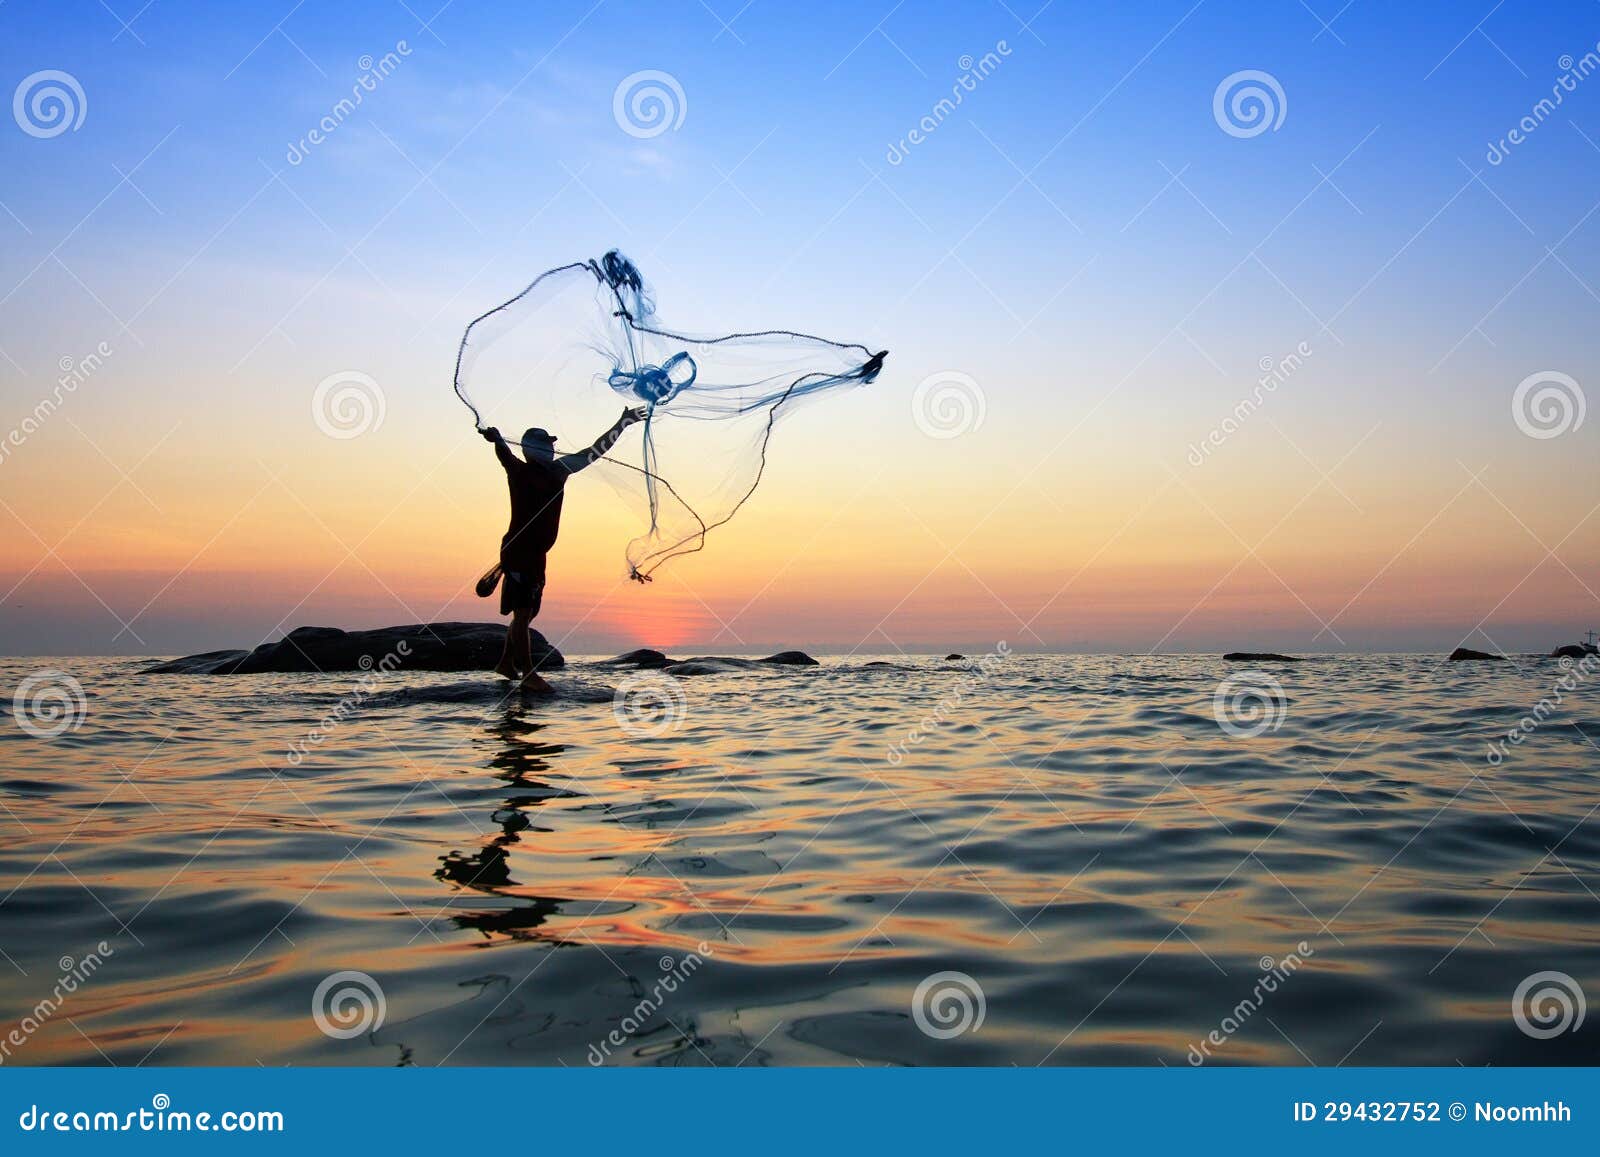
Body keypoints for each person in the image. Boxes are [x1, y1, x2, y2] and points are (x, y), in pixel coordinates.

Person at [480, 408, 645, 691]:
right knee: (522, 613)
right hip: (519, 551)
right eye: (548, 445)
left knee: (527, 613)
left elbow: (594, 451)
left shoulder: (559, 472)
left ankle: (507, 662)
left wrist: (622, 423)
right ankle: (528, 674)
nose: (553, 449)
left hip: (536, 555)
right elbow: (503, 452)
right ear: (536, 448)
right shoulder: (520, 470)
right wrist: (496, 439)